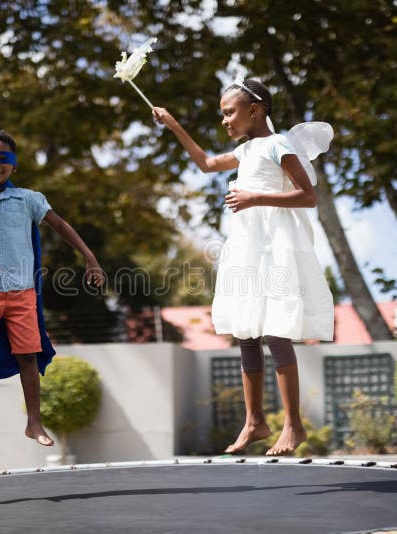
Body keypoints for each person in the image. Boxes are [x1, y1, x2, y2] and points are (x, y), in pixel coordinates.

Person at [152, 78, 334, 456]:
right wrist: (173, 125)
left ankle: (294, 425)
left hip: (274, 248)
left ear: (255, 110)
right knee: (246, 334)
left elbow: (308, 195)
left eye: (229, 112)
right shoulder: (246, 150)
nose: (224, 121)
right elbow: (205, 164)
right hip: (248, 248)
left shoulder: (278, 144)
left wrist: (254, 197)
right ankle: (255, 421)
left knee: (275, 331)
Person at [0, 128, 105, 451]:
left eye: (3, 159)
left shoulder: (29, 200)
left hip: (21, 293)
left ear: (14, 166)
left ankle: (34, 422)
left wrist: (90, 258)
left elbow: (60, 226)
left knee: (27, 356)